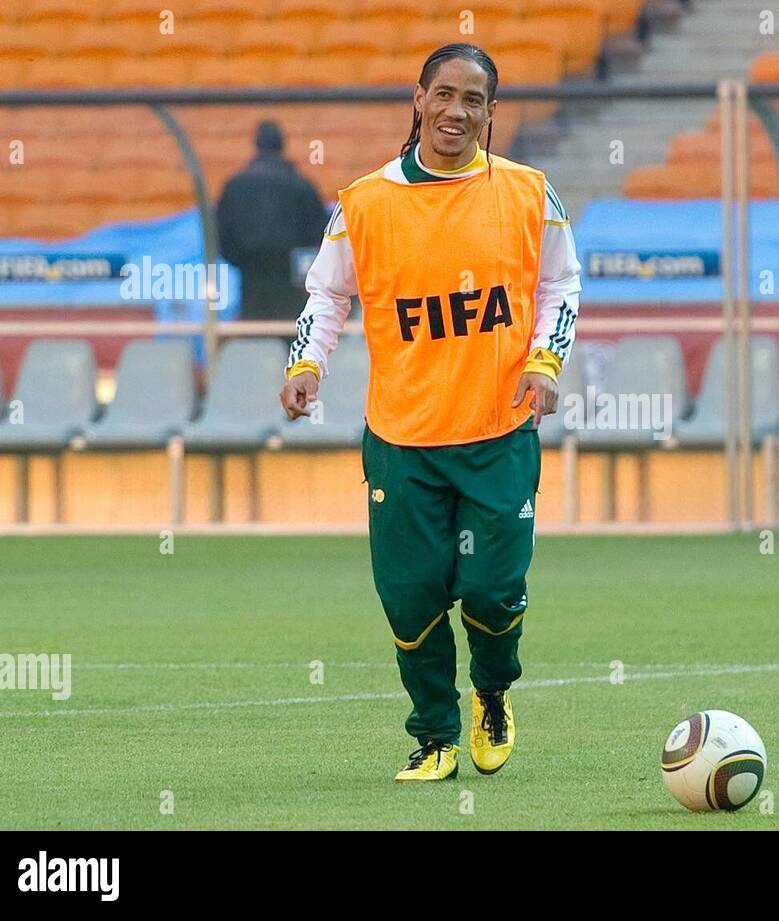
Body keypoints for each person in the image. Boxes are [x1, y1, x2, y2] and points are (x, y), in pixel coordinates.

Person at [280, 44, 582, 782]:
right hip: (402, 439)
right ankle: (435, 736)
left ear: (491, 112)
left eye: (472, 100)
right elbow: (327, 294)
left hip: (498, 433)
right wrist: (306, 362)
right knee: (411, 595)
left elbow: (561, 286)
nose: (456, 111)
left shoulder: (528, 192)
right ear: (418, 99)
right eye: (443, 94)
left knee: (488, 589)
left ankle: (494, 692)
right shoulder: (364, 202)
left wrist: (545, 361)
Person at [216, 120, 328, 321]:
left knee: (255, 341)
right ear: (281, 145)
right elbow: (318, 236)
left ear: (257, 144)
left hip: (250, 282)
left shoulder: (235, 187)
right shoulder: (300, 185)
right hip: (291, 286)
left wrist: (245, 261)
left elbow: (222, 237)